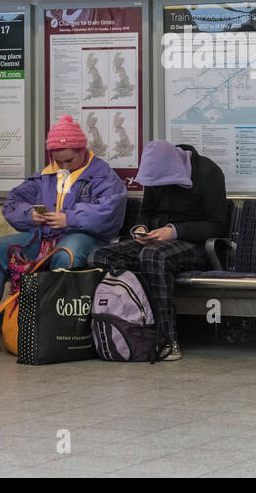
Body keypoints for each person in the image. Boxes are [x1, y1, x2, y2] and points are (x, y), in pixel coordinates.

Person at [0, 115, 126, 353]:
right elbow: (13, 202)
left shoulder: (102, 175)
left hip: (86, 236)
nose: (64, 166)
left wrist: (69, 218)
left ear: (83, 151)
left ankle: (57, 327)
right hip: (44, 237)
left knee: (67, 254)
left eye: (69, 160)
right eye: (58, 161)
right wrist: (29, 214)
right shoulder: (46, 175)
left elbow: (110, 211)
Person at [89, 140, 227, 361]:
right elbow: (146, 213)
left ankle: (167, 340)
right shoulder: (155, 172)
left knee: (152, 257)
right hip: (155, 241)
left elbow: (218, 225)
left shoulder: (208, 174)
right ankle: (127, 324)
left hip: (195, 244)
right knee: (100, 256)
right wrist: (141, 228)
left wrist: (173, 231)